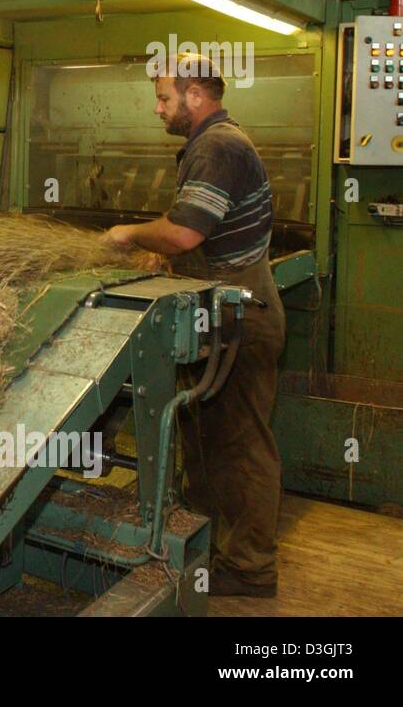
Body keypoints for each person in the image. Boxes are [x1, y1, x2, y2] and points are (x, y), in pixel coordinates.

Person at [103, 52, 286, 598]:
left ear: (196, 96)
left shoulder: (218, 146)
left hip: (242, 319)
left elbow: (185, 232)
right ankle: (205, 548)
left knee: (242, 444)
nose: (157, 109)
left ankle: (251, 568)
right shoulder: (209, 145)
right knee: (204, 436)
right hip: (220, 315)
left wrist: (127, 235)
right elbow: (199, 233)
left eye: (164, 98)